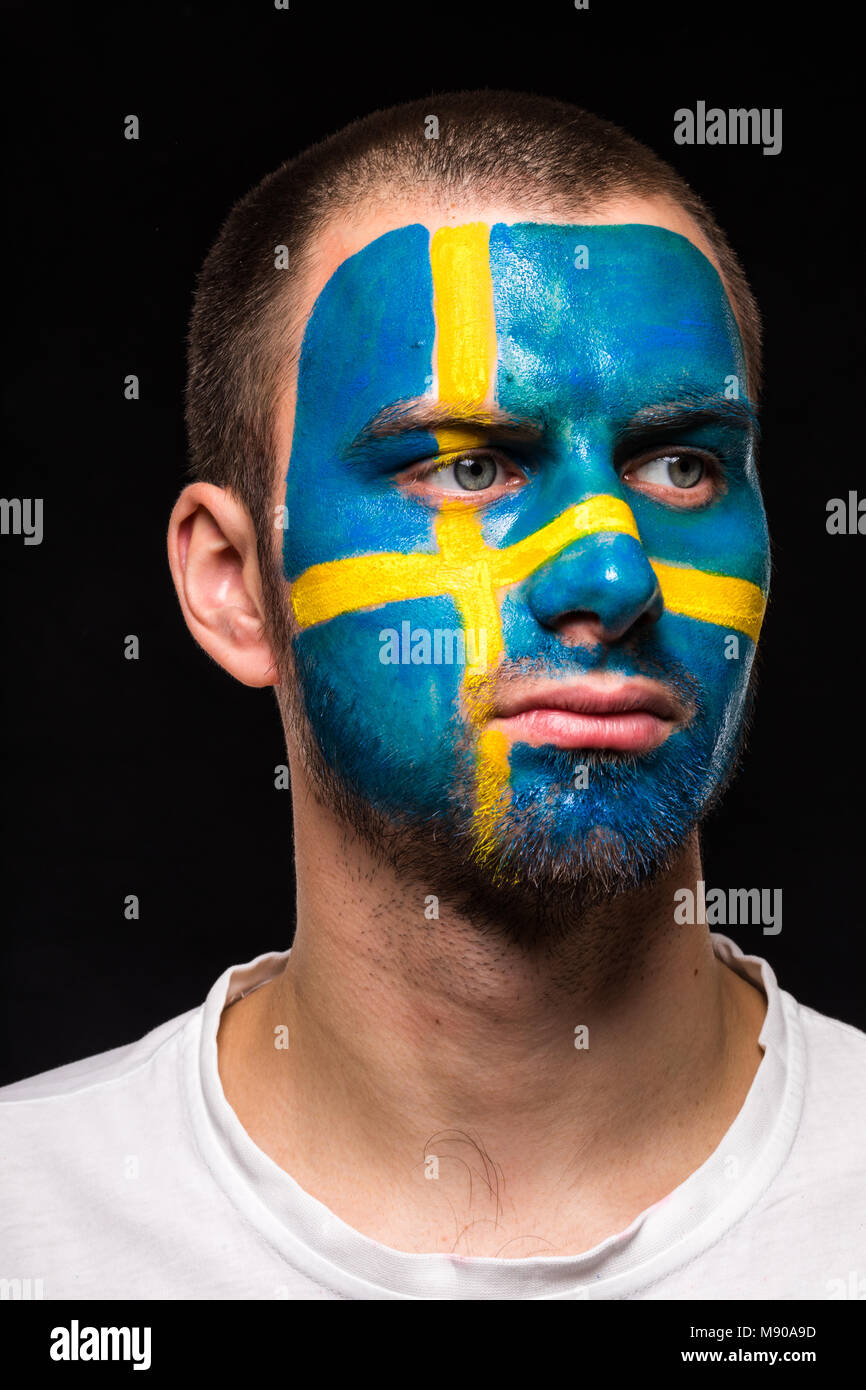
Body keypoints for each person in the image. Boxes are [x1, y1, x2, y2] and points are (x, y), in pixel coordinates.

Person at [2, 92, 864, 1301]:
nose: (611, 575)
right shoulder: (26, 1220)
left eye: (681, 465)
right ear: (235, 584)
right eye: (467, 466)